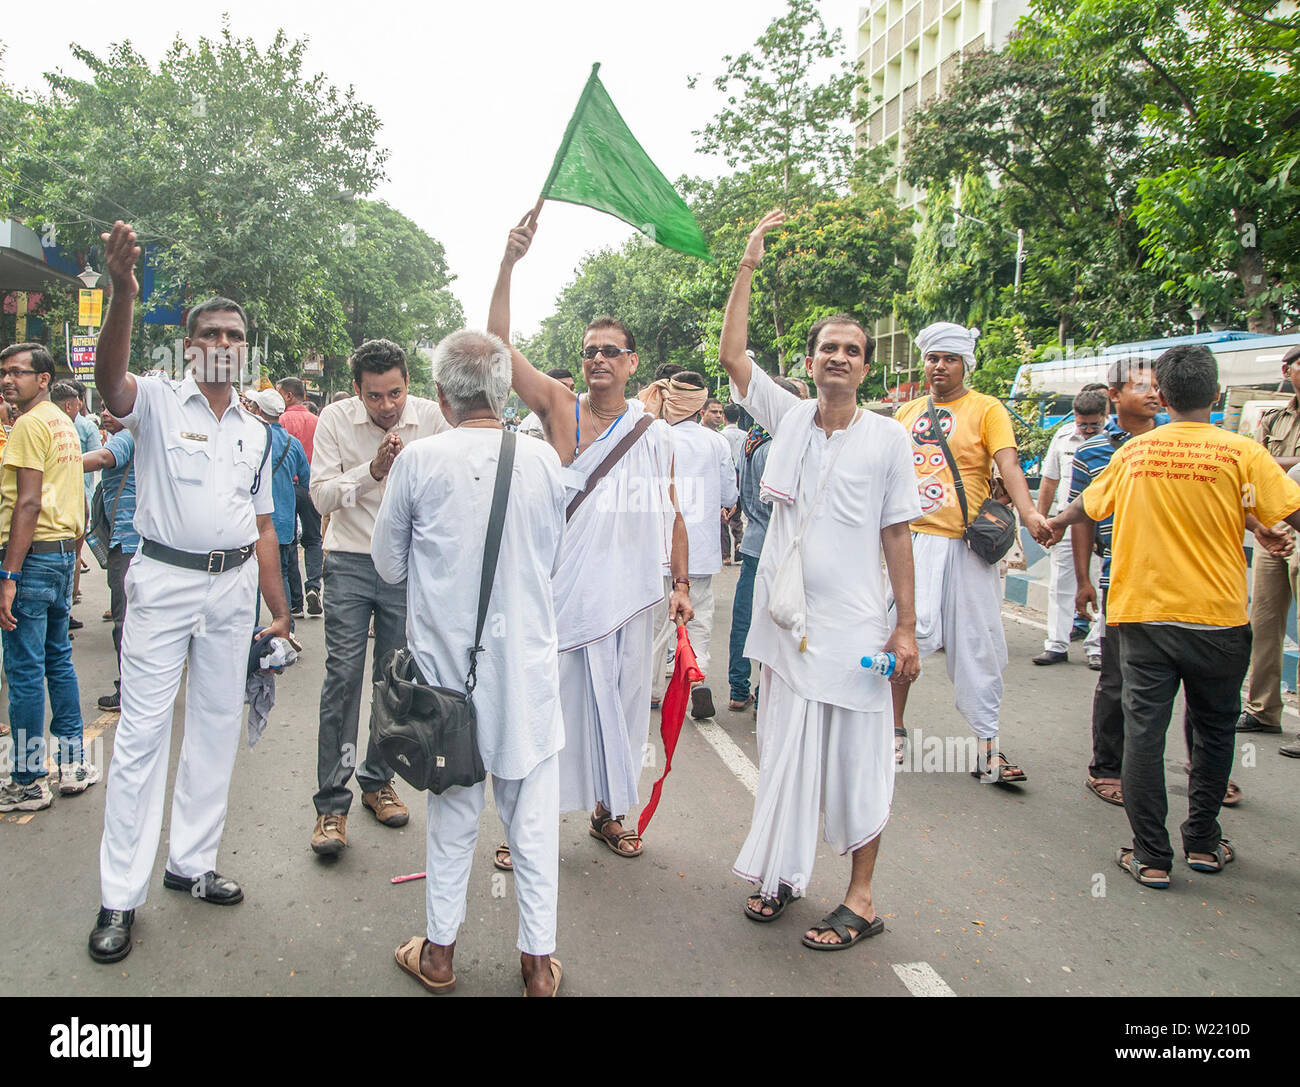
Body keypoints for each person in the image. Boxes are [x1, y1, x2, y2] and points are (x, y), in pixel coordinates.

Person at [89, 221, 291, 964]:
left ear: (246, 346)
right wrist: (123, 292)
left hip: (233, 588)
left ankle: (191, 863)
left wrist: (278, 608)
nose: (222, 341)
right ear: (189, 339)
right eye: (209, 330)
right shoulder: (158, 399)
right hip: (165, 580)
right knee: (141, 736)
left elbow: (264, 524)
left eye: (234, 333)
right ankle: (120, 895)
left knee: (213, 727)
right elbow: (111, 382)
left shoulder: (256, 426)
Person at [718, 210, 922, 948]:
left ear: (866, 366)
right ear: (809, 361)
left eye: (852, 350)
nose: (838, 357)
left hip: (855, 627)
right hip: (785, 628)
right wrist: (747, 265)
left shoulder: (890, 437)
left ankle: (861, 897)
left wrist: (904, 625)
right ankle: (779, 873)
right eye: (828, 347)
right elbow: (733, 353)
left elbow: (898, 533)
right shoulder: (792, 416)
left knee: (858, 762)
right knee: (784, 757)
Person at [1049, 344, 1300, 888]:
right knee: (1213, 732)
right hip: (1219, 620)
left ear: (1162, 395)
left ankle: (1151, 855)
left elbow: (1088, 506)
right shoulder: (1243, 453)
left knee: (1145, 733)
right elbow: (1289, 509)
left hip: (1143, 617)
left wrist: (1051, 524)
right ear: (1215, 394)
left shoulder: (1134, 454)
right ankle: (1205, 845)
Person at [488, 209, 691, 864]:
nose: (598, 358)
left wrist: (682, 584)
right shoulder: (559, 413)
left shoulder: (657, 436)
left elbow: (674, 512)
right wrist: (508, 263)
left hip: (631, 601)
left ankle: (611, 812)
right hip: (564, 598)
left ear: (632, 363)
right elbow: (495, 348)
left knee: (624, 711)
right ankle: (527, 828)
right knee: (548, 714)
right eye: (589, 350)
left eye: (611, 350)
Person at [374, 329, 566, 998]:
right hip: (527, 678)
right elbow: (553, 564)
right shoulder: (543, 462)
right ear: (503, 390)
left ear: (439, 395)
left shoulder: (420, 461)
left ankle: (439, 956)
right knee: (533, 821)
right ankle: (538, 965)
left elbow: (387, 565)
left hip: (444, 686)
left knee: (453, 819)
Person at [892, 323, 1055, 781]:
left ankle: (988, 748)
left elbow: (1009, 465)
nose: (939, 366)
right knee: (902, 638)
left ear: (966, 364)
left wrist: (1030, 514)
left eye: (950, 358)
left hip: (968, 549)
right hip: (913, 544)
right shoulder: (904, 413)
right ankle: (893, 731)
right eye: (932, 358)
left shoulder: (987, 409)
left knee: (979, 646)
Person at [307, 338, 448, 856]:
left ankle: (376, 779)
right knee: (342, 678)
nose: (386, 406)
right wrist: (373, 472)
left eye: (394, 393)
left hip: (406, 568)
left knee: (394, 681)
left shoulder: (433, 419)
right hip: (347, 561)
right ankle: (330, 807)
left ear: (408, 384)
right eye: (374, 396)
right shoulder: (335, 421)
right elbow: (319, 495)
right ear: (356, 392)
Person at [0, 344, 96, 813]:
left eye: (18, 373)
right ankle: (75, 762)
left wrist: (8, 574)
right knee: (57, 661)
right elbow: (74, 496)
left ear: (43, 379)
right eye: (4, 372)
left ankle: (27, 779)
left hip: (32, 557)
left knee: (23, 672)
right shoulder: (62, 422)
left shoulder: (27, 425)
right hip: (58, 555)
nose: (7, 380)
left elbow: (28, 502)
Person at [643, 371, 738, 720]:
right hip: (700, 550)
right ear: (700, 405)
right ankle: (697, 681)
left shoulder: (653, 437)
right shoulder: (715, 442)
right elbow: (730, 493)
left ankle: (652, 691)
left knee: (656, 621)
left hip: (658, 548)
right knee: (698, 619)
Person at [1032, 388, 1108, 667]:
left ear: (1105, 416)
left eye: (1094, 425)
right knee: (1060, 584)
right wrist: (1040, 518)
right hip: (1065, 521)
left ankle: (1097, 646)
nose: (1088, 430)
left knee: (1102, 582)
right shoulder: (1063, 436)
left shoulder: (1114, 441)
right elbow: (1049, 480)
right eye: (1082, 424)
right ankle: (1056, 643)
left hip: (1103, 523)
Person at [81, 407, 138, 711]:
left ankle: (129, 689)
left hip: (128, 541)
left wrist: (57, 463)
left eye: (112, 407)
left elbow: (103, 459)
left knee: (125, 621)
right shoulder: (142, 435)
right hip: (141, 540)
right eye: (102, 406)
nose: (104, 412)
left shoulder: (126, 437)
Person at [246, 388, 311, 619]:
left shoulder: (253, 439)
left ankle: (250, 629)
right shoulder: (292, 444)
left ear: (259, 411)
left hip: (251, 520)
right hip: (283, 520)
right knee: (281, 572)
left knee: (251, 577)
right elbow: (306, 479)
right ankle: (286, 629)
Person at [51, 381, 100, 628]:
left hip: (77, 497)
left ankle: (65, 609)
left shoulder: (85, 428)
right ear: (74, 403)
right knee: (70, 556)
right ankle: (63, 612)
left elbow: (100, 457)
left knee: (71, 555)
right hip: (69, 499)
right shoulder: (54, 426)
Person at [276, 376, 323, 617]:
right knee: (314, 540)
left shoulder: (280, 421)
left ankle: (296, 603)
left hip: (286, 489)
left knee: (290, 542)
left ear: (287, 395)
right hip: (312, 486)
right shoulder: (318, 421)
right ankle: (313, 585)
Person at [720, 403, 746, 566]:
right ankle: (739, 544)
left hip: (727, 477)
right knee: (737, 517)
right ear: (738, 418)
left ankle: (725, 555)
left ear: (723, 417)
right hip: (742, 477)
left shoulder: (720, 436)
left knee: (723, 517)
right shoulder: (745, 435)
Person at [519, 368, 574, 437]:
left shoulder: (576, 419)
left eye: (571, 388)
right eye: (563, 387)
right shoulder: (537, 425)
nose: (569, 392)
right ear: (546, 389)